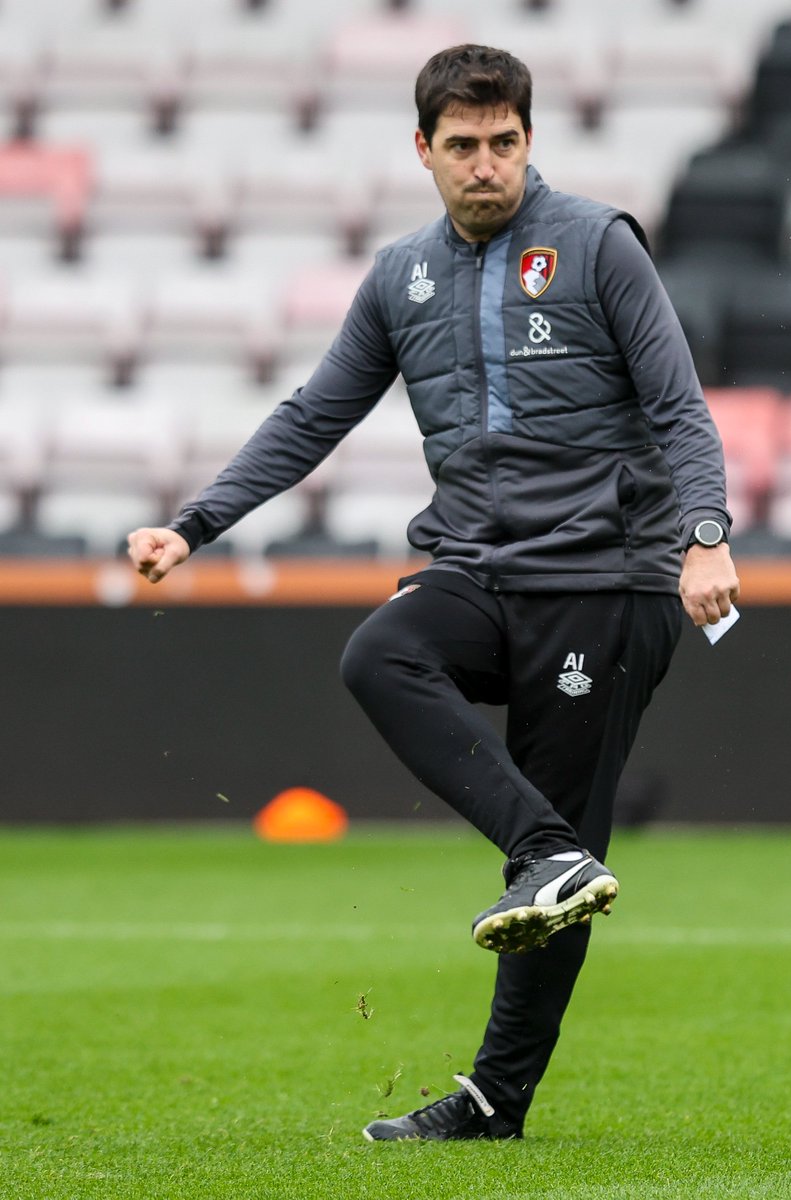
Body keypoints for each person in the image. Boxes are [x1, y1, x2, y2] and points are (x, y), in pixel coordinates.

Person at [127, 44, 739, 1142]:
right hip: (477, 568)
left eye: (504, 142)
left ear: (529, 141)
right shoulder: (402, 275)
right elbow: (316, 412)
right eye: (462, 146)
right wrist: (194, 522)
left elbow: (682, 407)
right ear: (424, 150)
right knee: (381, 654)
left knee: (565, 852)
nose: (486, 164)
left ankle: (494, 1099)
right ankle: (541, 850)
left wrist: (705, 537)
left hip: (607, 581)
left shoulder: (599, 246)